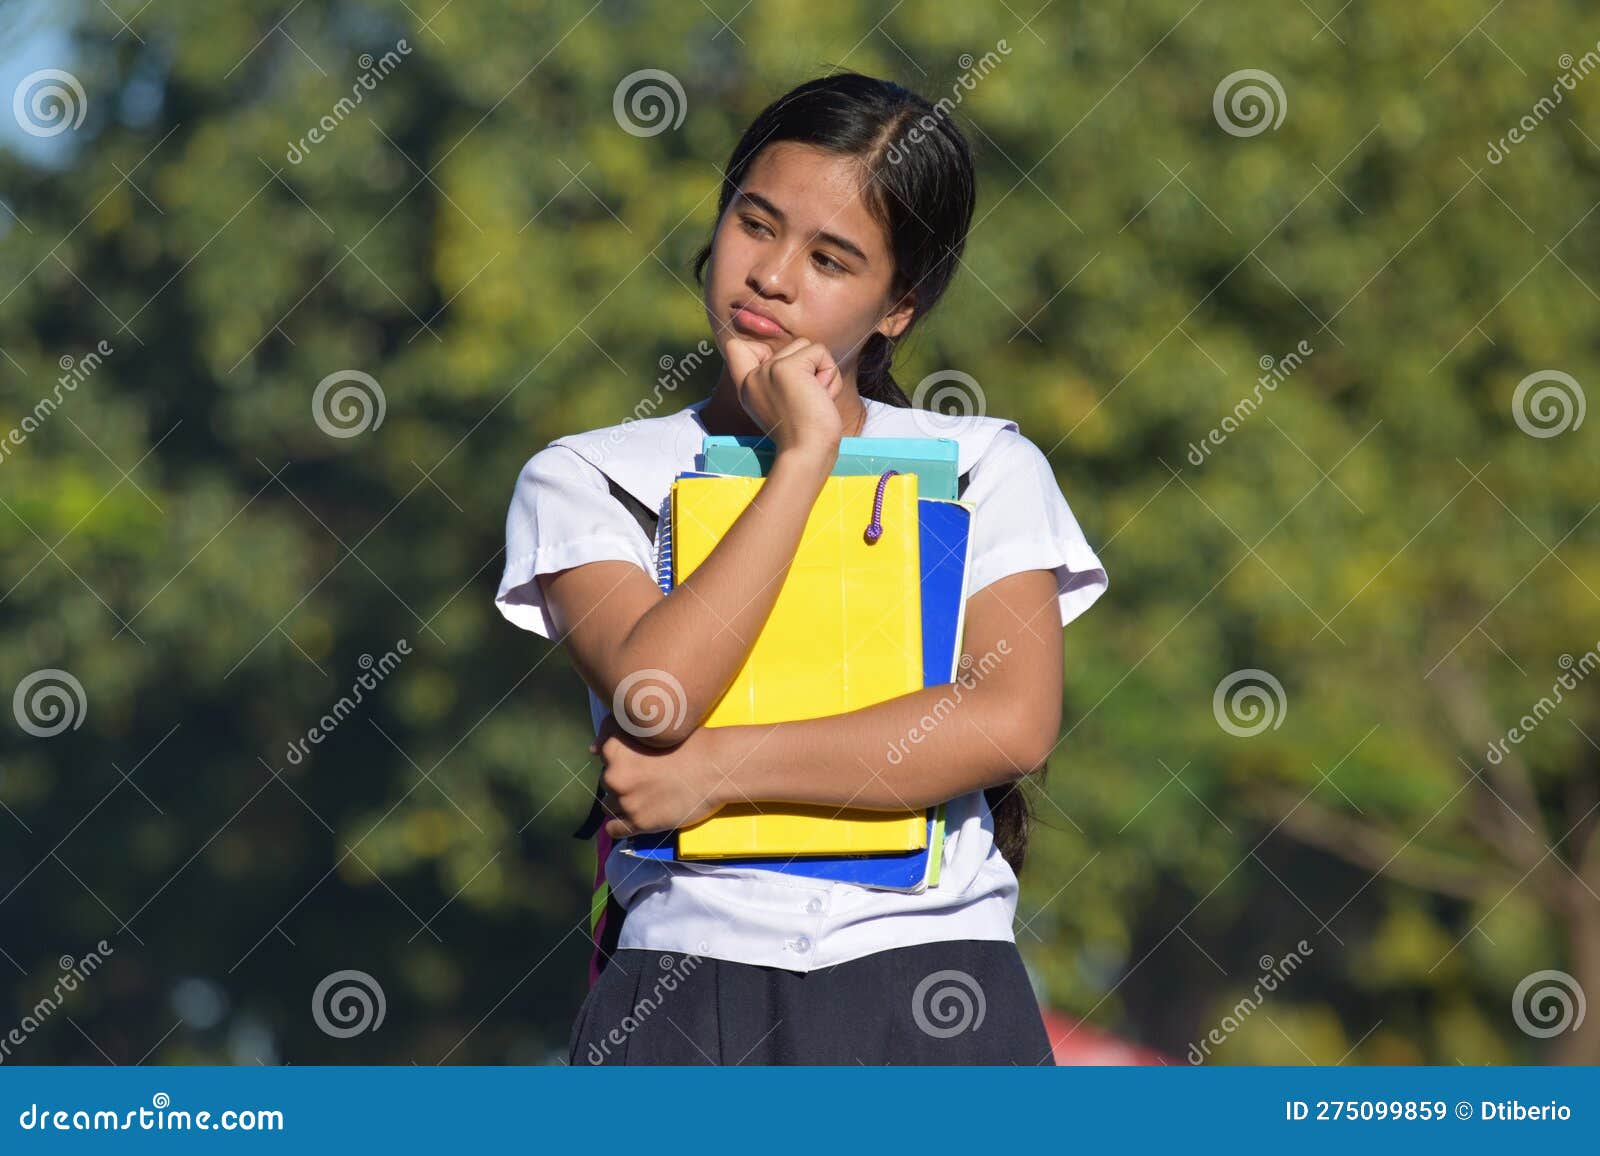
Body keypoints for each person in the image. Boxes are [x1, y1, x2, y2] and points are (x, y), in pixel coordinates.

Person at [494, 71, 1108, 1064]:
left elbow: (1007, 718)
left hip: (932, 991)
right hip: (683, 998)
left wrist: (717, 775)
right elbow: (658, 697)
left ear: (900, 304)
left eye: (831, 258)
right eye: (755, 222)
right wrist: (803, 458)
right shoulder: (588, 475)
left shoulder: (985, 467)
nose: (772, 277)